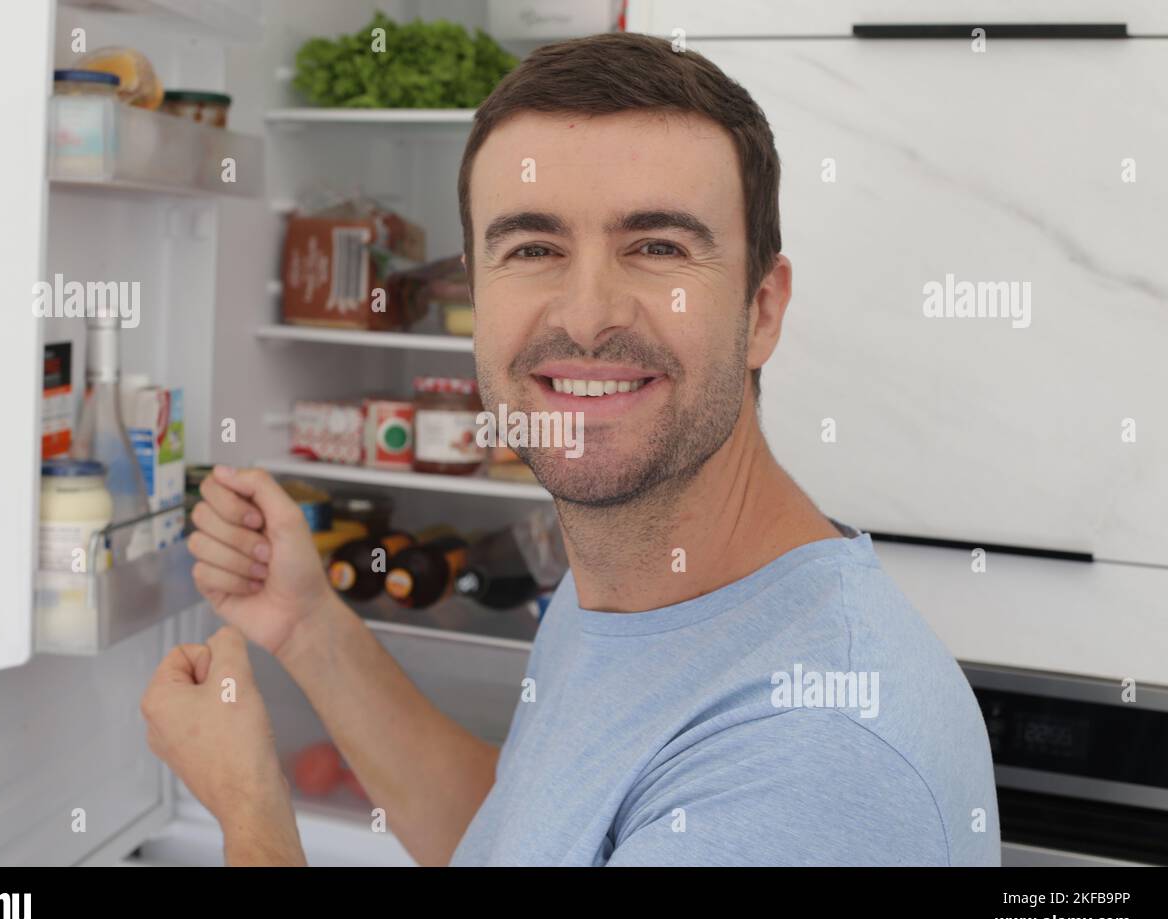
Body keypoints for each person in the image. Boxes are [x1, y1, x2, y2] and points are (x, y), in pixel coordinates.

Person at [141, 33, 1000, 866]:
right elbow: (517, 834)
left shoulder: (810, 756)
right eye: (534, 249)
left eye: (656, 246)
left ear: (762, 311)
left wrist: (251, 809)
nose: (587, 315)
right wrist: (310, 628)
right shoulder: (622, 578)